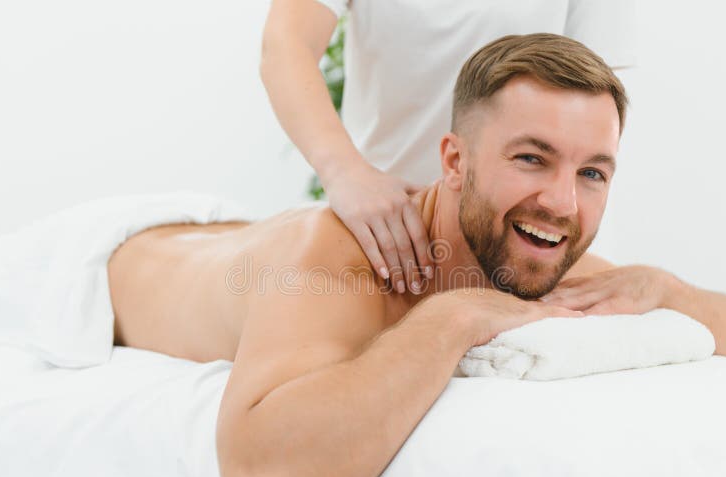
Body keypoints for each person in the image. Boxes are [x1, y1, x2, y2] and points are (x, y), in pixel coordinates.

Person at [108, 34, 726, 477]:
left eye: (593, 172)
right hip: (120, 258)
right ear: (454, 161)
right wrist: (451, 318)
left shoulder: (534, 252)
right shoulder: (334, 262)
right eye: (531, 158)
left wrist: (664, 287)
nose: (564, 203)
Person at [260, 0, 636, 295]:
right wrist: (344, 172)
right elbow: (287, 44)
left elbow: (595, 100)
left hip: (532, 246)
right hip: (392, 239)